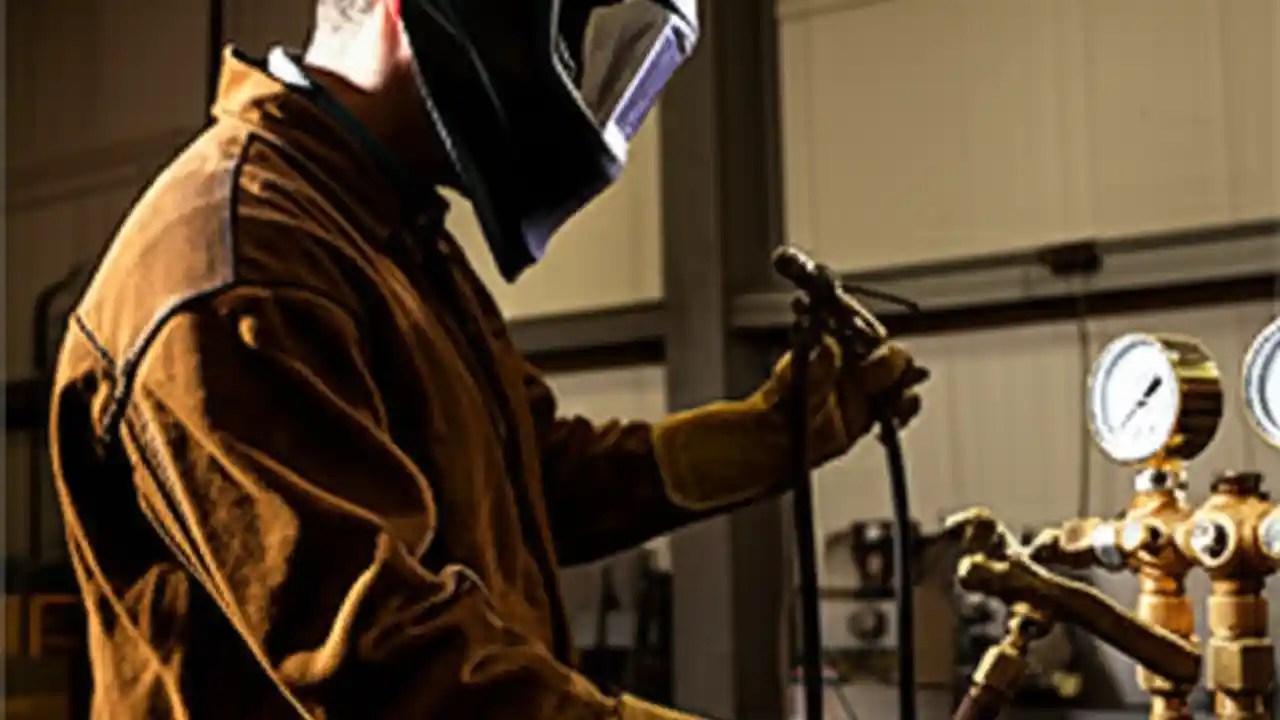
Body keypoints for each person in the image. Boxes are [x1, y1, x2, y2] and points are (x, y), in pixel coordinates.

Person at [47, 0, 929, 718]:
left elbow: (533, 481)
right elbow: (378, 656)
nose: (583, 93)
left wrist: (767, 438)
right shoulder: (240, 264)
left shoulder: (384, 231)